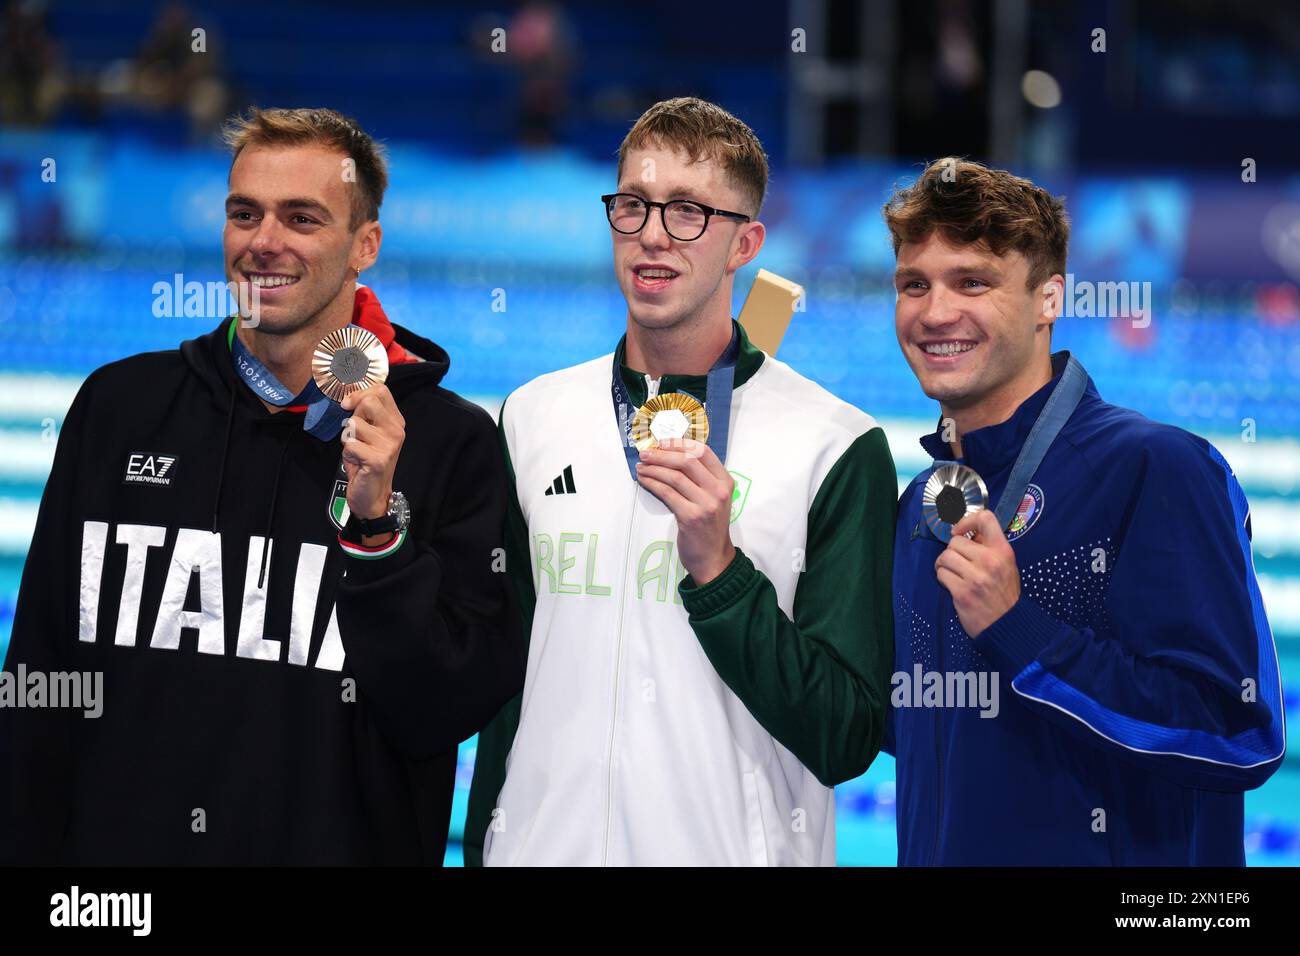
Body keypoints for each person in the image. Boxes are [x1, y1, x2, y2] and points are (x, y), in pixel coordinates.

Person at [0, 107, 524, 864]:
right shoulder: (121, 410)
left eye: (301, 218)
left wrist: (376, 533)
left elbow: (443, 710)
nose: (263, 242)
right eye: (244, 213)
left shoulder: (448, 446)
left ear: (363, 246)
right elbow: (40, 683)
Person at [466, 97, 897, 866]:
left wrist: (722, 574)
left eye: (689, 211)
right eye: (633, 205)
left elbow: (846, 735)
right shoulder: (533, 417)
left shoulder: (836, 446)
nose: (653, 234)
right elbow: (508, 683)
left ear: (746, 243)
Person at [883, 157, 1285, 865]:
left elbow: (1236, 732)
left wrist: (1021, 630)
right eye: (915, 284)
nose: (935, 311)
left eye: (972, 281)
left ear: (1049, 299)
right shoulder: (924, 504)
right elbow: (907, 732)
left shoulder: (1156, 468)